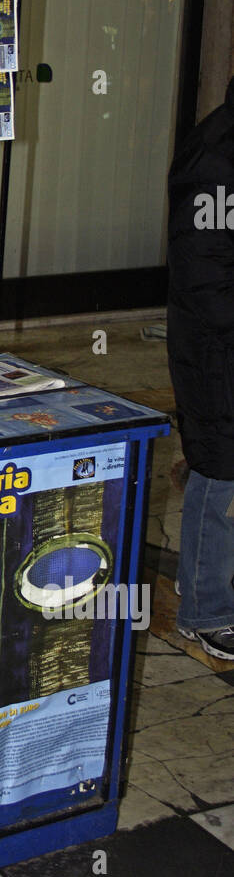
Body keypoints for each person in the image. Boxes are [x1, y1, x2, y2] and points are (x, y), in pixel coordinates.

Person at [167, 75, 234, 660]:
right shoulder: (217, 157)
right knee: (220, 466)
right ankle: (205, 609)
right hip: (218, 354)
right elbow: (205, 277)